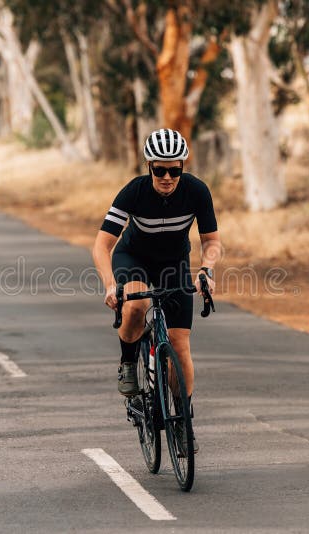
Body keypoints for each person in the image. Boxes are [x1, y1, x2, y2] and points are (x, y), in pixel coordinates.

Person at [92, 128, 222, 454]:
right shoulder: (133, 193)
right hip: (133, 257)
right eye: (159, 169)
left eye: (174, 170)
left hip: (173, 262)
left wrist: (206, 270)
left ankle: (182, 421)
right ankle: (127, 363)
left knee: (179, 346)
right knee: (137, 306)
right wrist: (111, 284)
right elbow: (102, 245)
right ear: (149, 165)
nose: (167, 177)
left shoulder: (196, 191)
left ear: (183, 167)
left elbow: (211, 242)